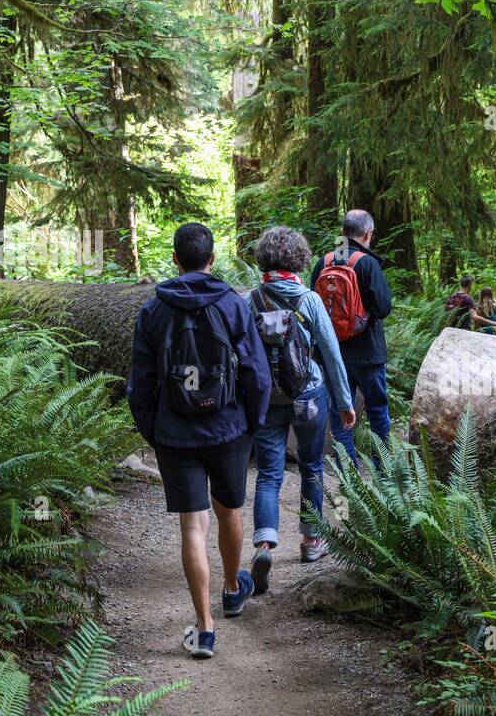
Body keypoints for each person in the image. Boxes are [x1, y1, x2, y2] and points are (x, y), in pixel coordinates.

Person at [127, 223, 271, 660]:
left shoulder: (153, 311)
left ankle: (204, 629)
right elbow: (256, 373)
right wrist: (252, 423)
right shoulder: (233, 304)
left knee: (193, 525)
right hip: (228, 428)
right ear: (212, 260)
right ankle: (231, 590)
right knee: (229, 511)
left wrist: (155, 432)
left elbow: (139, 384)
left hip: (176, 433)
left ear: (175, 260)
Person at [247, 226, 356, 582]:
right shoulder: (309, 300)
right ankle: (310, 542)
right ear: (299, 258)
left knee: (268, 474)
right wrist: (344, 402)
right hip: (308, 396)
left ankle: (264, 545)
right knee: (310, 468)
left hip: (267, 399)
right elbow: (331, 354)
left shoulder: (251, 301)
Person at [311, 209, 392, 467]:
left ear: (343, 232)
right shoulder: (367, 263)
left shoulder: (323, 262)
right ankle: (384, 473)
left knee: (339, 414)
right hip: (368, 352)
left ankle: (349, 474)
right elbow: (383, 308)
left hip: (333, 353)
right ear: (368, 234)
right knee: (378, 411)